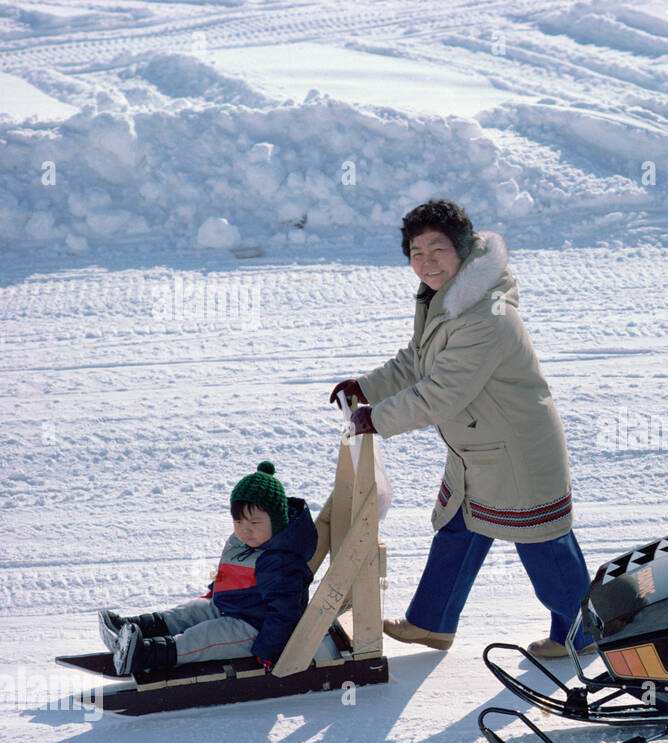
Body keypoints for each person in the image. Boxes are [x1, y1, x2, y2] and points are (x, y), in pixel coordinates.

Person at [329, 199, 592, 659]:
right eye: (416, 252)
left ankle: (581, 634)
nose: (427, 262)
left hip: (515, 452)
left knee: (544, 546)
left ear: (464, 250)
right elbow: (417, 360)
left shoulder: (485, 315)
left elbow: (443, 392)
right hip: (478, 446)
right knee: (457, 528)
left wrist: (378, 419)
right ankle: (432, 624)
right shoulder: (444, 298)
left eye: (438, 249)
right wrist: (367, 386)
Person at [100, 462, 322, 676]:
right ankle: (128, 628)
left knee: (203, 638)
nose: (245, 531)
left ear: (277, 521)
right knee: (187, 612)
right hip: (227, 606)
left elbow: (285, 614)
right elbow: (230, 574)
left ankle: (145, 654)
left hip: (254, 628)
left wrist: (269, 652)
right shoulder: (241, 542)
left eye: (255, 523)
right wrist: (214, 591)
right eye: (238, 522)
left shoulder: (281, 561)